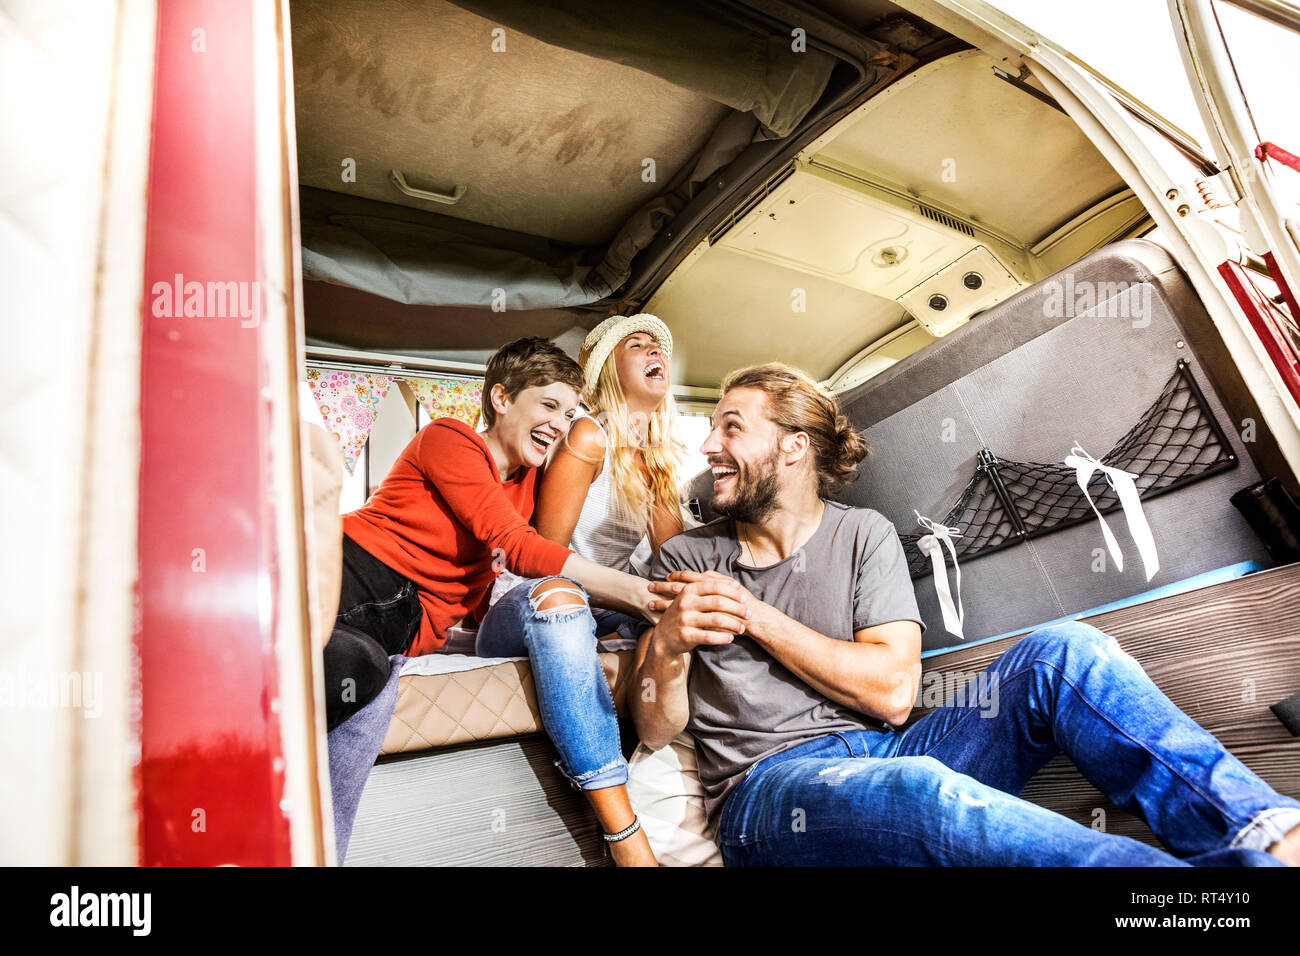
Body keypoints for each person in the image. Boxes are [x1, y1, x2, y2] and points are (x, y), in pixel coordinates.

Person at [630, 361, 1300, 866]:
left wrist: (755, 616)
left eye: (730, 426)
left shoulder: (863, 534)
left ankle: (1269, 836)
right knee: (919, 790)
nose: (710, 445)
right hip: (767, 794)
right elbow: (655, 729)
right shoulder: (685, 557)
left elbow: (892, 696)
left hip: (889, 744)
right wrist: (665, 643)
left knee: (1065, 652)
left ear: (793, 446)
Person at [324, 337, 663, 859]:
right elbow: (519, 546)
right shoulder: (450, 438)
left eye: (569, 412)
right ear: (502, 398)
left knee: (363, 676)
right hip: (349, 575)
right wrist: (638, 594)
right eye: (548, 405)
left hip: (395, 623)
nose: (558, 423)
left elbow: (483, 577)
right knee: (343, 669)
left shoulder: (527, 480)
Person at [478, 313, 686, 867]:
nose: (654, 351)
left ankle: (692, 787)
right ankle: (625, 832)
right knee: (561, 598)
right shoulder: (587, 434)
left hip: (604, 611)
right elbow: (543, 557)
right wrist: (641, 598)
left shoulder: (657, 461)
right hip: (528, 604)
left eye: (659, 345)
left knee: (684, 621)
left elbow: (675, 565)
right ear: (606, 367)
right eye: (637, 343)